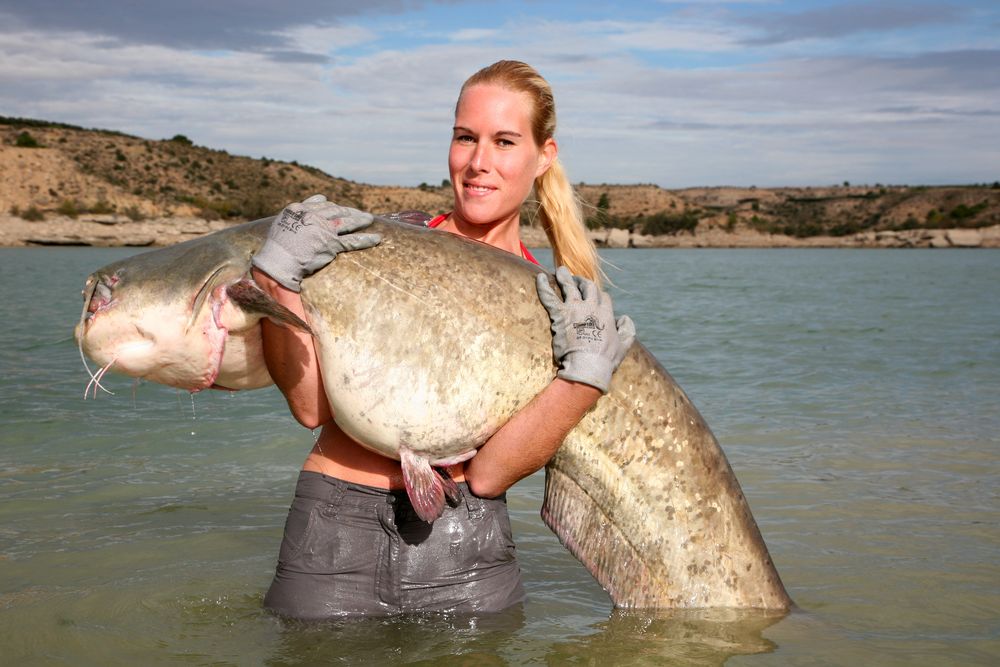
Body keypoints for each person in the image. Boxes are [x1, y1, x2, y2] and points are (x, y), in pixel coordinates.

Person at [250, 60, 635, 619]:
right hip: (333, 532)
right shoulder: (374, 248)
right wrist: (276, 284)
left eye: (504, 141)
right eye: (465, 137)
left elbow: (490, 474)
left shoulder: (555, 307)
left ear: (543, 155)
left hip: (469, 550)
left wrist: (583, 379)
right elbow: (311, 408)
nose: (478, 162)